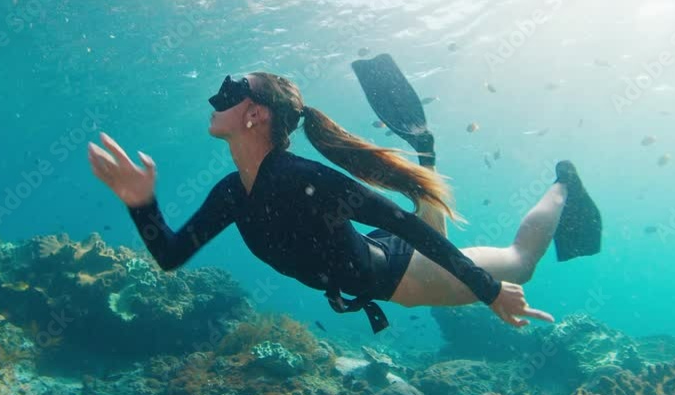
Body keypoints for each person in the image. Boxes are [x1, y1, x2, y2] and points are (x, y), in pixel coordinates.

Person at [87, 56, 602, 333]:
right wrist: (140, 202)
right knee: (431, 218)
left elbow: (410, 228)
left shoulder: (300, 176)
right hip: (380, 250)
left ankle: (563, 182)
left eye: (229, 89)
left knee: (521, 262)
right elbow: (172, 256)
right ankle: (423, 151)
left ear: (255, 113)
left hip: (406, 273)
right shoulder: (231, 193)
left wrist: (490, 291)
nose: (213, 99)